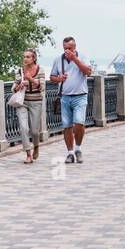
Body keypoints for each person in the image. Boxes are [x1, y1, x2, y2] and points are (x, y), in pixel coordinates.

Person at [49, 36, 93, 164]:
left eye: (69, 48)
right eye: (65, 48)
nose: (67, 50)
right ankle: (70, 153)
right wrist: (59, 78)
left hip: (80, 95)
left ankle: (78, 149)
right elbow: (52, 77)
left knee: (79, 123)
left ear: (75, 48)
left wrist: (75, 59)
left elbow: (88, 72)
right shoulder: (58, 60)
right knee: (67, 126)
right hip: (65, 97)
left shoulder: (83, 56)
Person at [12, 48, 47, 164]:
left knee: (35, 131)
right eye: (24, 57)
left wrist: (30, 79)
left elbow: (42, 87)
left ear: (34, 58)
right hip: (22, 102)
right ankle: (28, 154)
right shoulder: (19, 71)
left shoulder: (40, 70)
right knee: (23, 127)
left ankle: (36, 146)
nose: (25, 59)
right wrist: (19, 87)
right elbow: (14, 88)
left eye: (28, 57)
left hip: (36, 102)